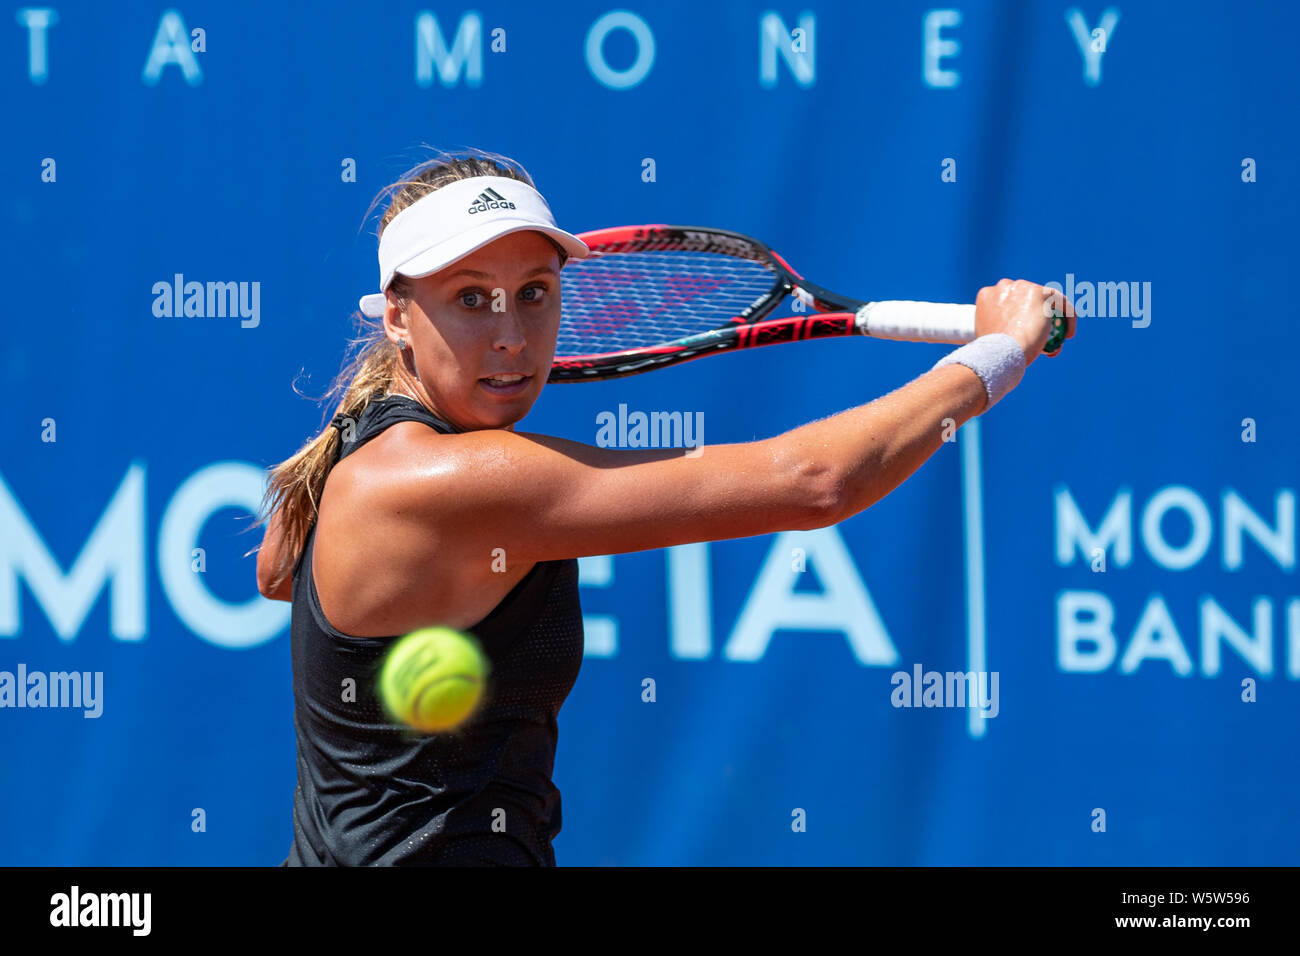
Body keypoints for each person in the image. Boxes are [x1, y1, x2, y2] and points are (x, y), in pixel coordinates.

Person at [255, 148, 1076, 866]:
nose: (510, 334)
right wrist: (998, 350)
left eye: (535, 292)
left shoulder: (360, 446)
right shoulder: (457, 481)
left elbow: (278, 571)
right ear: (397, 313)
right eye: (471, 299)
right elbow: (816, 482)